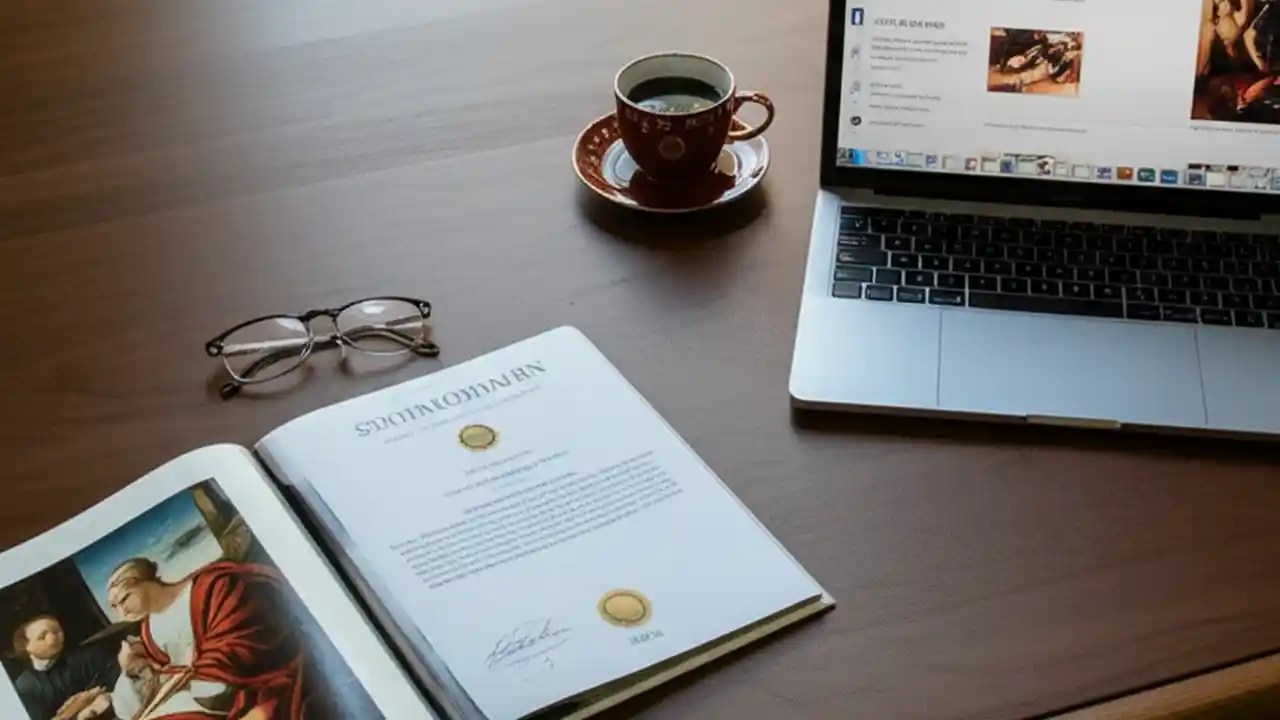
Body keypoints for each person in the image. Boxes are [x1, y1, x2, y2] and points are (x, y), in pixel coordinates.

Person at [105, 557, 328, 720]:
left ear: (143, 581)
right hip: (194, 697)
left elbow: (243, 641)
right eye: (114, 607)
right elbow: (159, 675)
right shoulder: (148, 631)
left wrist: (194, 679)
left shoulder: (211, 586)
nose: (122, 612)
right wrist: (134, 666)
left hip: (246, 684)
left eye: (124, 599)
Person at [12, 615, 120, 720]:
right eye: (42, 637)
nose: (52, 639)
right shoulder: (25, 685)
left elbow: (115, 675)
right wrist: (75, 707)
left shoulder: (90, 654)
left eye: (56, 632)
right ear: (26, 646)